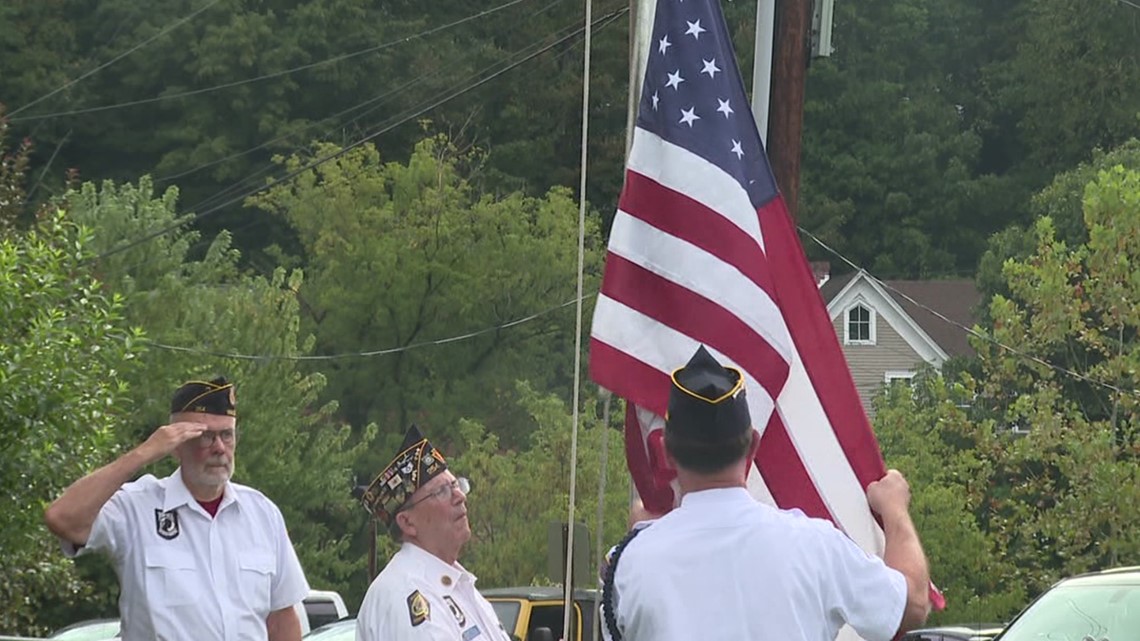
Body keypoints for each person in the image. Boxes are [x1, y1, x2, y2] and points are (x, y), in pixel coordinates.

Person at [601, 346, 931, 641]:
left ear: (666, 452)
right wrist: (895, 511)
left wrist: (644, 540)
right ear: (753, 445)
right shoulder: (814, 545)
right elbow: (913, 604)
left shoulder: (629, 565)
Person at [44, 376, 310, 641]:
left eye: (226, 435)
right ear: (175, 445)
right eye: (205, 436)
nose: (219, 448)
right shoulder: (137, 508)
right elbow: (62, 518)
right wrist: (143, 454)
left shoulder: (261, 513)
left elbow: (282, 618)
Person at [356, 425, 510, 641]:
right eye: (442, 491)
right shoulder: (407, 593)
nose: (460, 497)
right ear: (407, 522)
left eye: (457, 485)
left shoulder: (459, 587)